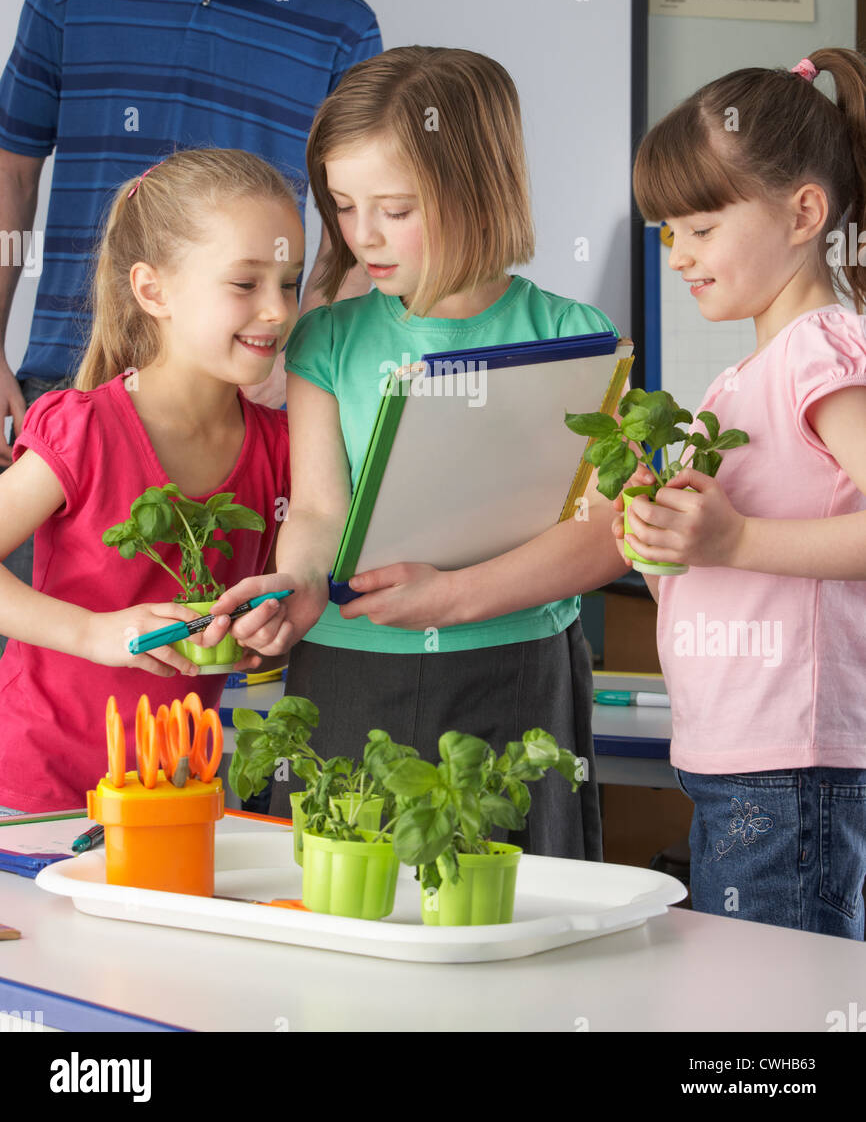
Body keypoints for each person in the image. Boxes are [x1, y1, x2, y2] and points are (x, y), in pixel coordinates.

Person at [213, 46, 629, 859]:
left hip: (515, 669)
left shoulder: (574, 337)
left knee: (512, 919)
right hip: (346, 668)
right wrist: (297, 585)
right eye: (341, 205)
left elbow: (607, 532)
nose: (361, 235)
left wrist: (455, 598)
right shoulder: (327, 341)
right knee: (347, 915)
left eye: (394, 209)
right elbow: (322, 506)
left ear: (477, 188)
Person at [0, 0, 377, 610]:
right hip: (63, 385)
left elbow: (355, 234)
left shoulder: (341, 26)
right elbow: (12, 177)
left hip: (235, 421)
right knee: (39, 681)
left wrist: (298, 367)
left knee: (188, 692)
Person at [610, 48, 866, 940]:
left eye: (703, 227)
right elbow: (712, 574)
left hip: (796, 767)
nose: (678, 254)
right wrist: (660, 542)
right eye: (668, 231)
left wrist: (734, 542)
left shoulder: (821, 352)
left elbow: (749, 549)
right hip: (745, 760)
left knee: (769, 1022)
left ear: (804, 213)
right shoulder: (743, 379)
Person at [0, 149, 301, 815]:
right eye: (246, 284)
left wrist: (264, 627)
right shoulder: (84, 430)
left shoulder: (280, 447)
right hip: (37, 792)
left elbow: (271, 599)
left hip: (176, 796)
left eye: (290, 282)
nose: (278, 311)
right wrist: (94, 633)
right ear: (152, 290)